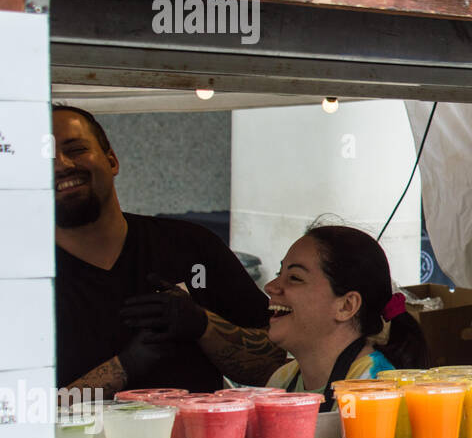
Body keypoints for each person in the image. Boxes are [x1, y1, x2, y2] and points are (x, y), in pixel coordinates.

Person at [53, 105, 273, 395]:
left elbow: (273, 365)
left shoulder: (192, 246)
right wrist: (126, 366)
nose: (61, 165)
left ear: (112, 160)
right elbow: (18, 416)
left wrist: (203, 326)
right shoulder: (17, 278)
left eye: (77, 149)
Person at [256, 225, 428, 409]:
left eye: (295, 277)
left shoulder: (375, 390)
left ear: (347, 306)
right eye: (278, 274)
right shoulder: (281, 382)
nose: (270, 286)